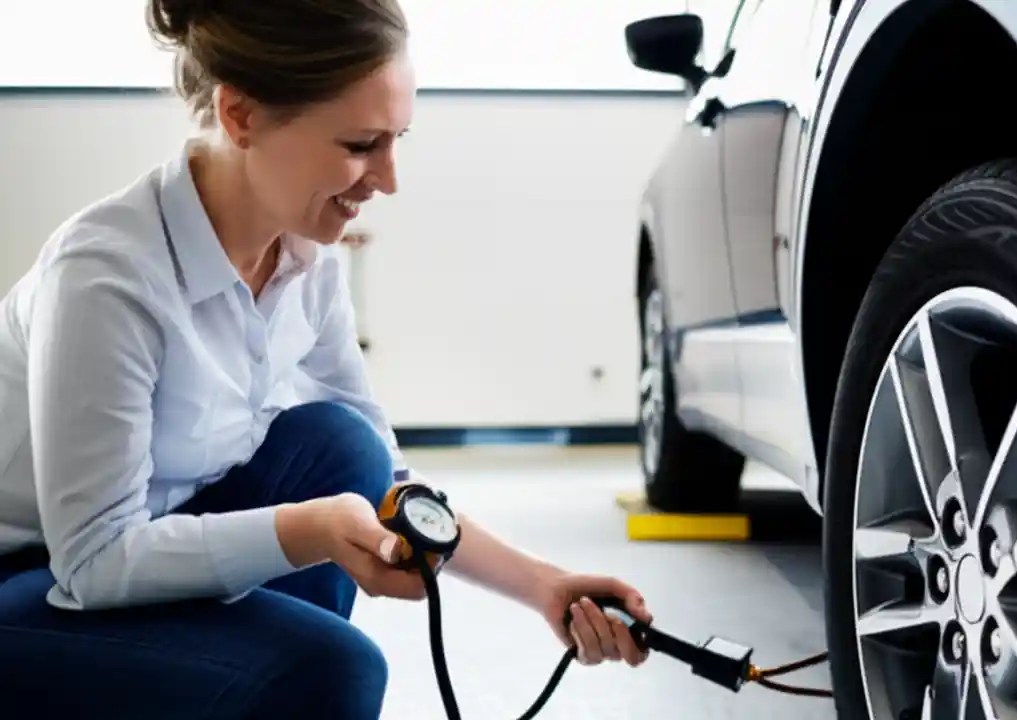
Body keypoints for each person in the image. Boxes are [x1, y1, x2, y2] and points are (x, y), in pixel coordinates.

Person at [0, 0, 652, 716]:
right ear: (241, 115)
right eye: (360, 144)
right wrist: (305, 530)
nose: (388, 178)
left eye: (397, 139)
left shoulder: (307, 261)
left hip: (150, 551)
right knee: (330, 668)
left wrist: (541, 585)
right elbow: (91, 564)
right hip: (34, 585)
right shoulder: (108, 276)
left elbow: (392, 484)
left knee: (346, 448)